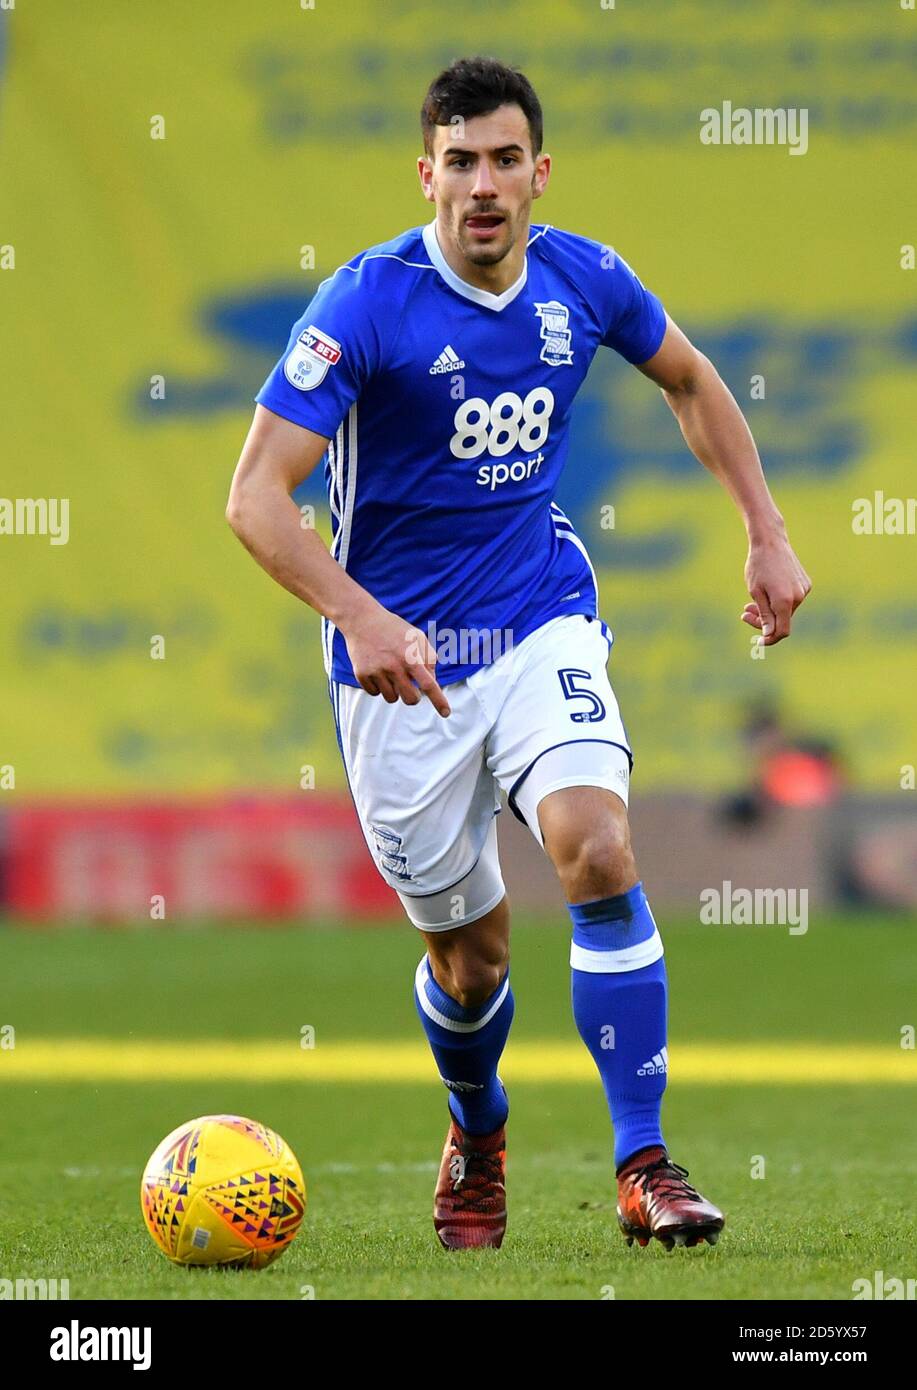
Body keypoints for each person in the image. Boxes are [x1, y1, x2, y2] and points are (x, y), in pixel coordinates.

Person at [227, 56, 812, 1251]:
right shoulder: (362, 304)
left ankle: (643, 1162)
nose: (483, 185)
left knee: (594, 846)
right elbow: (254, 498)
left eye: (505, 160)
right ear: (425, 173)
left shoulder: (584, 278)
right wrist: (359, 615)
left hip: (539, 612)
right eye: (460, 161)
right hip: (399, 672)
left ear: (538, 173)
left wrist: (765, 529)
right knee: (469, 958)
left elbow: (690, 380)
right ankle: (476, 1123)